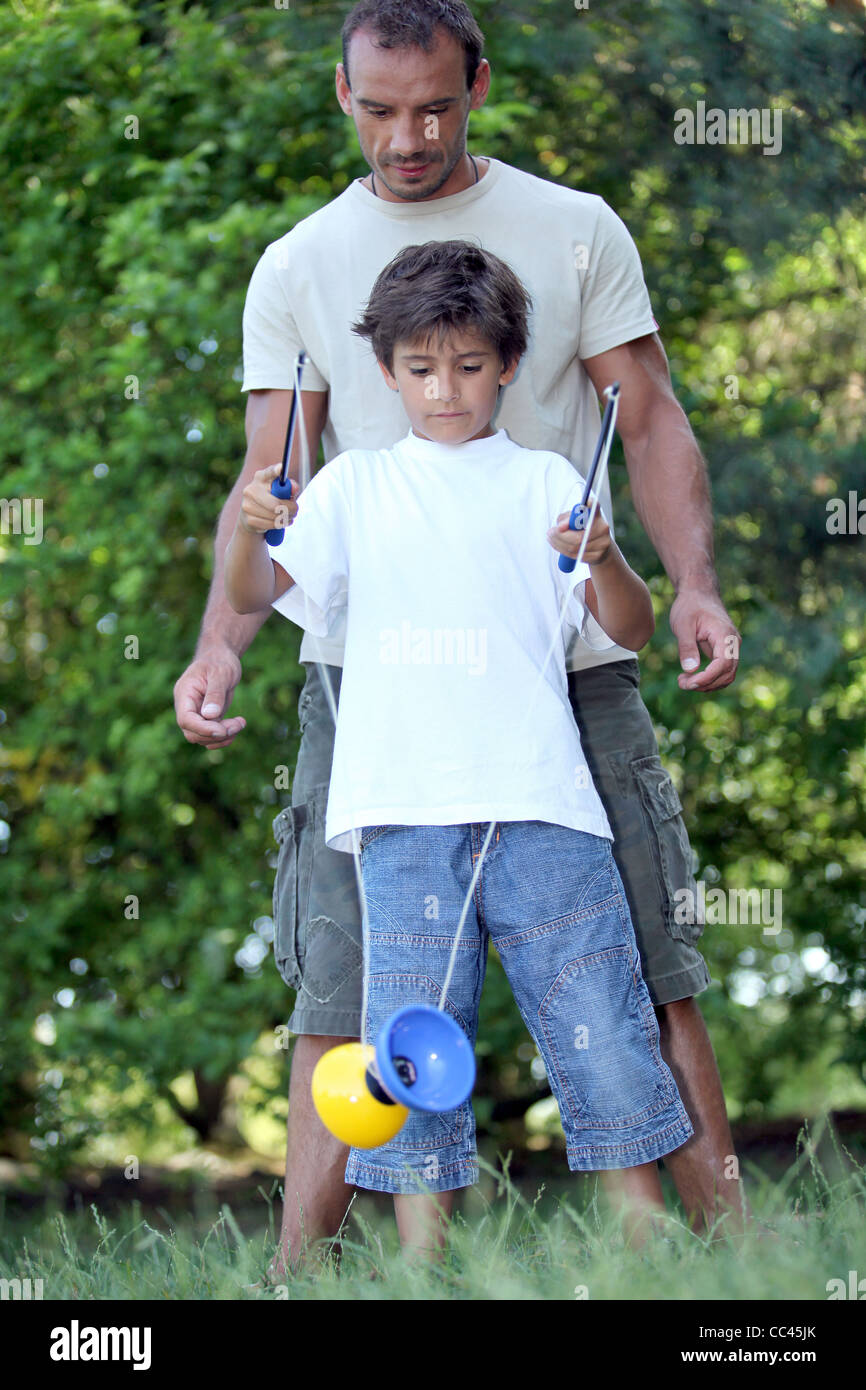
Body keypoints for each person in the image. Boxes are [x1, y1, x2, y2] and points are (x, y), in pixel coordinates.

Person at [173, 0, 745, 1272]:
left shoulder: (571, 227)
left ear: (476, 83)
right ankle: (295, 1278)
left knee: (641, 965)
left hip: (562, 673)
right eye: (379, 111)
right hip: (369, 700)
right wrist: (219, 643)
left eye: (433, 106)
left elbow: (645, 421)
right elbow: (266, 482)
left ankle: (737, 1270)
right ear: (341, 98)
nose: (407, 136)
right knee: (345, 983)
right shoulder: (298, 263)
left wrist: (689, 584)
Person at [224, 240, 695, 1257]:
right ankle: (420, 1267)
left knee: (604, 1032)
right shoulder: (348, 487)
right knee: (410, 1049)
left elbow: (631, 625)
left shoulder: (546, 482)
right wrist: (256, 526)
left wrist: (605, 555)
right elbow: (258, 595)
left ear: (509, 365)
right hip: (399, 817)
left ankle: (646, 1252)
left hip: (544, 808)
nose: (446, 390)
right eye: (422, 369)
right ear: (386, 370)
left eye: (469, 367)